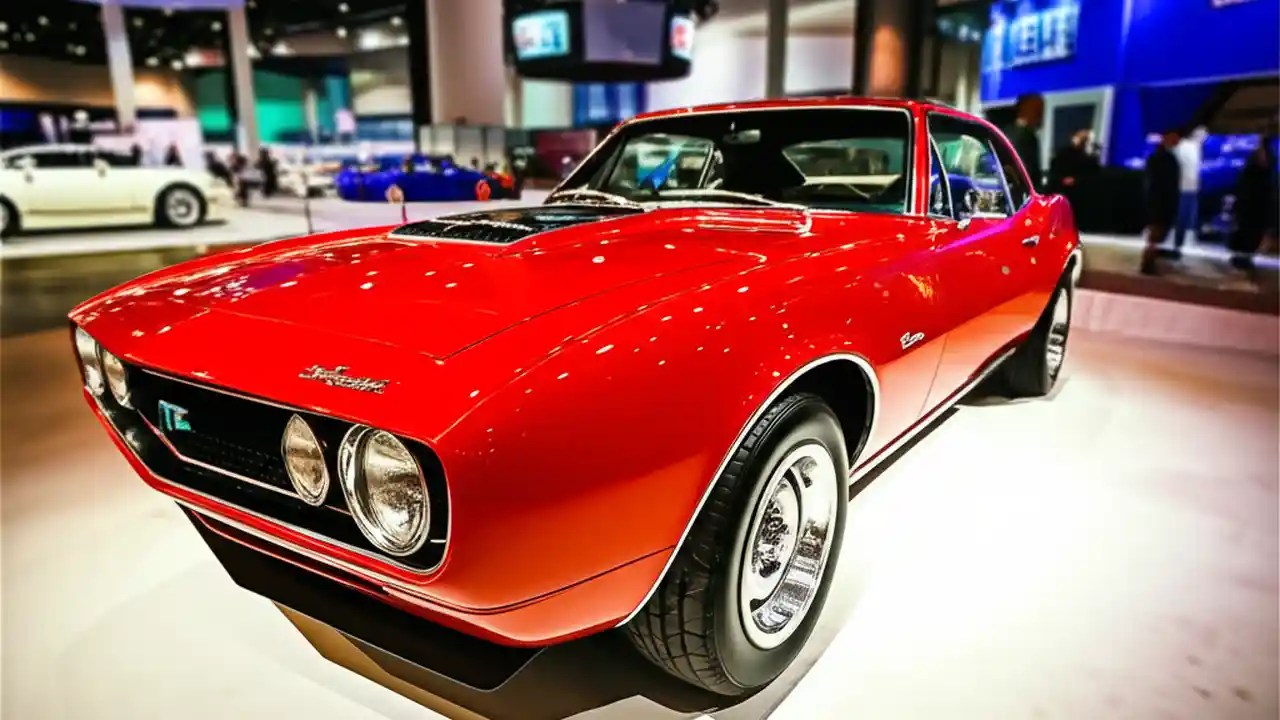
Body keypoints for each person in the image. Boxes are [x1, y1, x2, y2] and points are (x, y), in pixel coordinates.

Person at [1228, 143, 1276, 273]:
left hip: (1259, 211)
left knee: (1253, 236)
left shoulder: (1268, 177)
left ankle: (1246, 258)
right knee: (1244, 234)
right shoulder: (1248, 173)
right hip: (1246, 210)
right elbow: (1241, 191)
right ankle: (1240, 257)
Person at [1140, 129, 1182, 276]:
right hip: (1160, 202)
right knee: (1156, 233)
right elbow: (1159, 183)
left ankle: (1150, 262)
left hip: (1160, 201)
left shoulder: (1162, 157)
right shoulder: (1163, 158)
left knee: (1157, 233)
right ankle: (1148, 264)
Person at [1172, 126, 1207, 257]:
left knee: (1186, 219)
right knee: (1181, 218)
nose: (1205, 136)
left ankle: (1179, 246)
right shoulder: (1183, 146)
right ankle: (1175, 246)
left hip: (1190, 188)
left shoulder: (1196, 148)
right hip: (1183, 188)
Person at [1008, 93, 1045, 192]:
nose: (1041, 115)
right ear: (1025, 109)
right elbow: (1027, 172)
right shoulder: (1027, 136)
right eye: (1038, 110)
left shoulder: (1006, 132)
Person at [1049, 128, 1100, 193]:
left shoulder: (1088, 158)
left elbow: (1091, 175)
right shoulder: (1064, 154)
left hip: (1080, 190)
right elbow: (1055, 170)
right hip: (1062, 188)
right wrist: (1062, 179)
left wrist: (1076, 180)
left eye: (1084, 139)